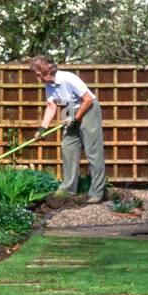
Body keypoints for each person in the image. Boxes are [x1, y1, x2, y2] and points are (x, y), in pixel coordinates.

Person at [29, 55, 108, 203]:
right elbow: (51, 106)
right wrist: (42, 128)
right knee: (68, 146)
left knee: (93, 151)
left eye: (38, 74)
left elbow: (88, 99)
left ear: (47, 70)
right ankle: (68, 188)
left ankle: (97, 191)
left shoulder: (68, 78)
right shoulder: (49, 86)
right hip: (71, 108)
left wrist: (76, 118)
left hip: (88, 109)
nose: (37, 78)